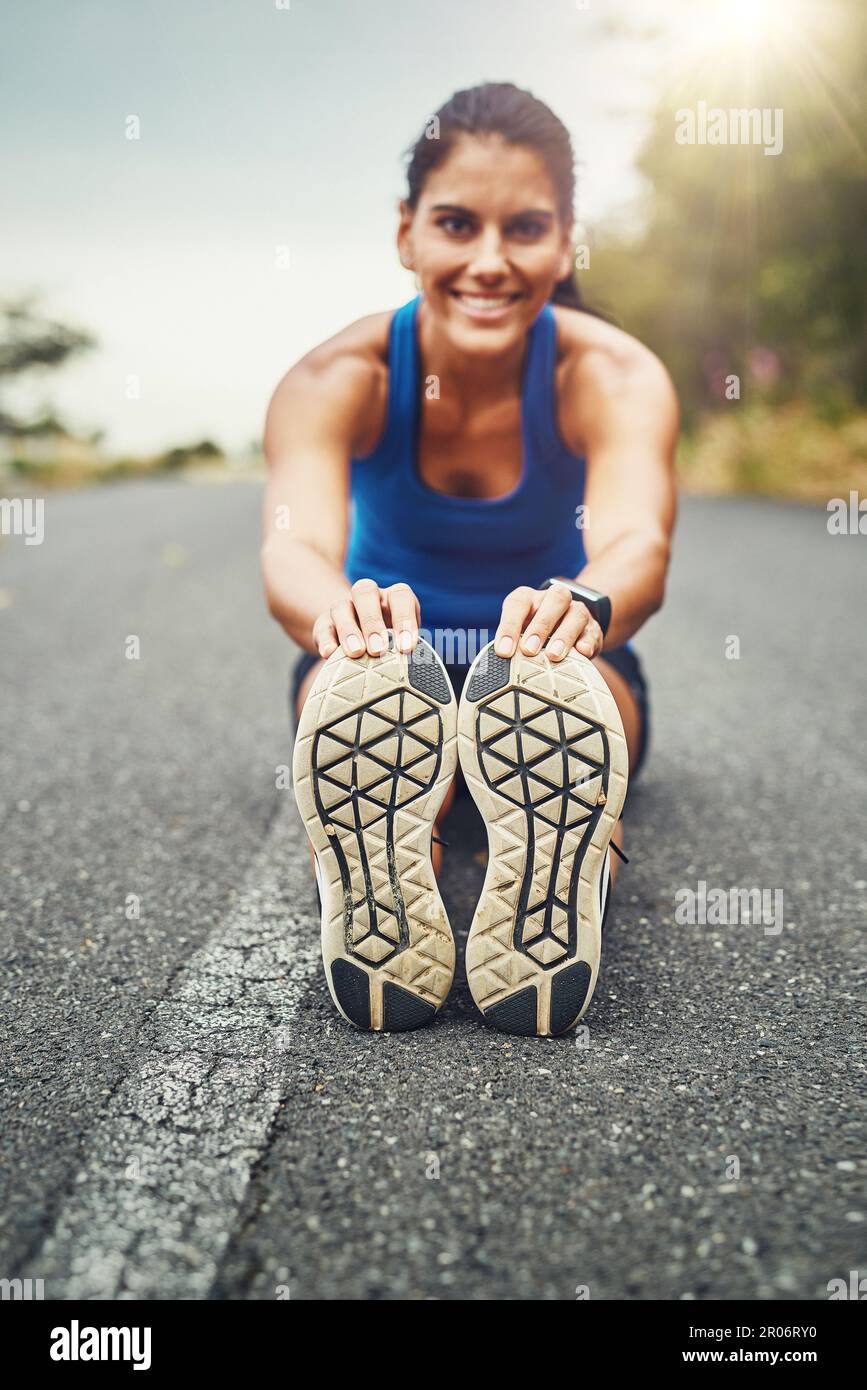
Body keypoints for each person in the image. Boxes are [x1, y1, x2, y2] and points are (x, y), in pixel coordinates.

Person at [262, 82, 678, 1037]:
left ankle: (572, 865)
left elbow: (637, 544)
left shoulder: (612, 375)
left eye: (523, 228)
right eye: (457, 224)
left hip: (555, 660)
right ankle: (405, 852)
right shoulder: (334, 378)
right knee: (353, 686)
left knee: (571, 702)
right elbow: (293, 547)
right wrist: (341, 611)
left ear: (565, 241)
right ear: (407, 233)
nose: (489, 261)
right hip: (382, 661)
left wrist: (583, 599)